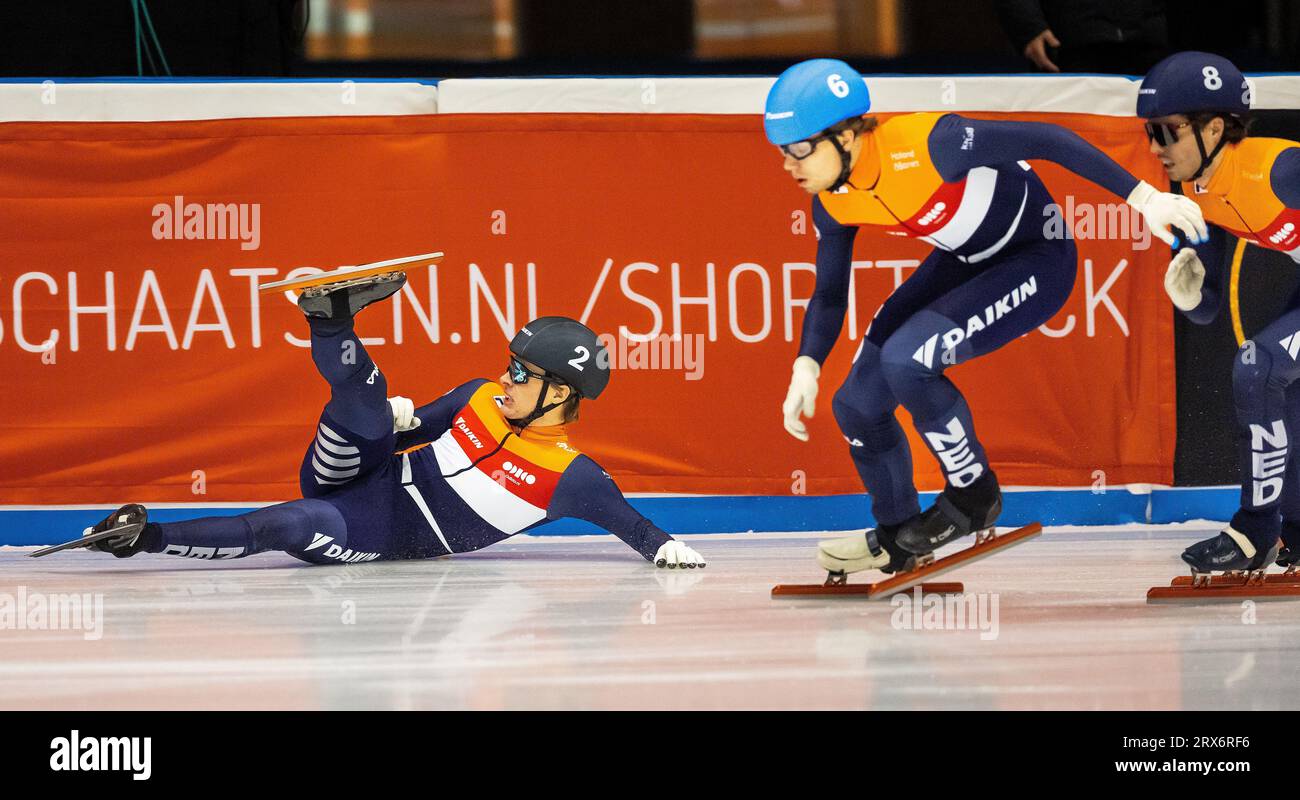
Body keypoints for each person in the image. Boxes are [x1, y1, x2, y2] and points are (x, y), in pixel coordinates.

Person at [765, 58, 1206, 577]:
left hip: (1037, 258)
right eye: (782, 151)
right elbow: (829, 294)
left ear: (845, 136)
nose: (789, 165)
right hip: (966, 259)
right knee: (857, 404)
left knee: (908, 360)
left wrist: (1146, 198)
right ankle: (898, 535)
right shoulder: (831, 202)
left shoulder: (930, 143)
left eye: (799, 148)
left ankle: (974, 497)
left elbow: (1049, 139)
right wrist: (807, 364)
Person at [62, 276, 706, 569]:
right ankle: (331, 320)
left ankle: (141, 536)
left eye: (521, 372)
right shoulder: (479, 396)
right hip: (355, 470)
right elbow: (412, 426)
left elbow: (637, 529)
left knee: (291, 523)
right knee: (370, 401)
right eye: (508, 364)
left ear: (559, 393)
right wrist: (399, 419)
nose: (505, 378)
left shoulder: (572, 477)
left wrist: (668, 551)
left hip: (379, 529)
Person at [1142, 51, 1300, 574]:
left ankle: (1256, 531)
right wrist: (1190, 296)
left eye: (1166, 132)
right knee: (1283, 386)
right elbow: (1208, 310)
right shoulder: (1195, 192)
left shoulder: (1278, 169)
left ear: (1213, 129)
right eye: (1149, 132)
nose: (1155, 147)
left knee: (1259, 365)